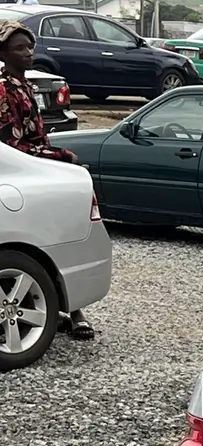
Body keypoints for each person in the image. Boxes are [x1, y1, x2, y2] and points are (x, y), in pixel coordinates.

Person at [0, 21, 93, 341]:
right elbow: (8, 142)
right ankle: (70, 311)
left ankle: (72, 308)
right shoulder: (2, 88)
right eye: (19, 48)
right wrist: (59, 156)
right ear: (2, 53)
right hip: (22, 167)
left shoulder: (26, 84)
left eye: (30, 47)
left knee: (60, 238)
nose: (28, 53)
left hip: (37, 159)